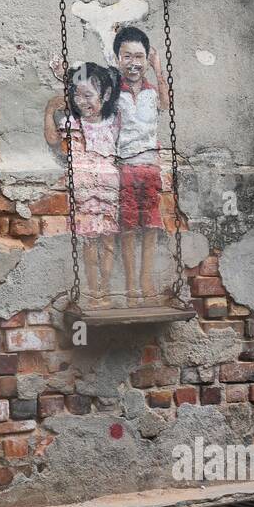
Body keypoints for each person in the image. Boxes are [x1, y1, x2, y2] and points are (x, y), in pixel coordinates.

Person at [44, 63, 121, 307]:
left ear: (105, 96)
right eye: (77, 95)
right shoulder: (72, 123)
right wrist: (49, 112)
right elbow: (53, 139)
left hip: (108, 189)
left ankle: (106, 289)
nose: (82, 101)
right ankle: (91, 289)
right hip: (83, 190)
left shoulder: (112, 122)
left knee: (107, 239)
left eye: (88, 95)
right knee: (89, 241)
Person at [111, 26, 168, 305]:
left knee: (151, 226)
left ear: (147, 59)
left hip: (150, 168)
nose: (134, 63)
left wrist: (158, 69)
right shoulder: (113, 93)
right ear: (117, 59)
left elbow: (167, 103)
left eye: (139, 57)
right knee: (129, 227)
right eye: (127, 56)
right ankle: (132, 283)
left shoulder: (152, 92)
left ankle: (146, 281)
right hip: (125, 168)